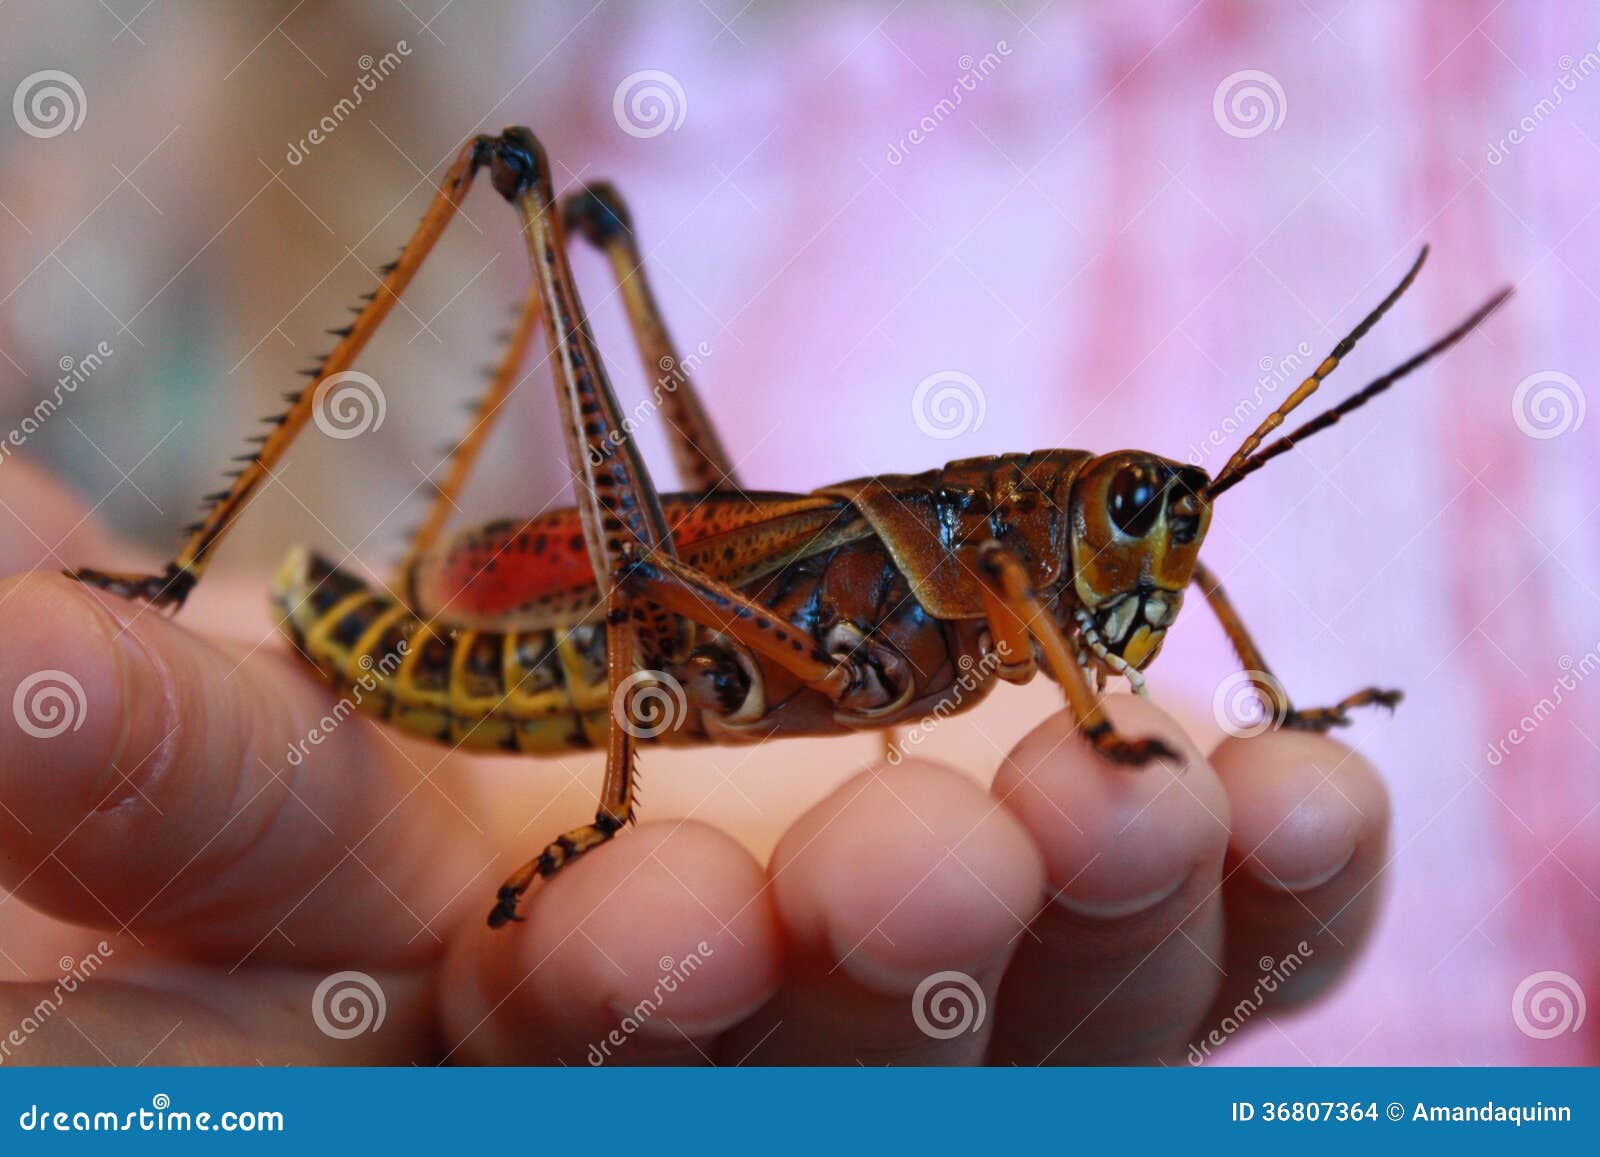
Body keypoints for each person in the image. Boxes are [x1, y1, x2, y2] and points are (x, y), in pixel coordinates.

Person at [0, 456, 1388, 1065]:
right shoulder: (990, 556)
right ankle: (192, 573)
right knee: (542, 184)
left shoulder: (1055, 581)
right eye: (1139, 516)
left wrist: (1281, 707)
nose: (1157, 559)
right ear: (1049, 516)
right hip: (625, 653)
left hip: (699, 651)